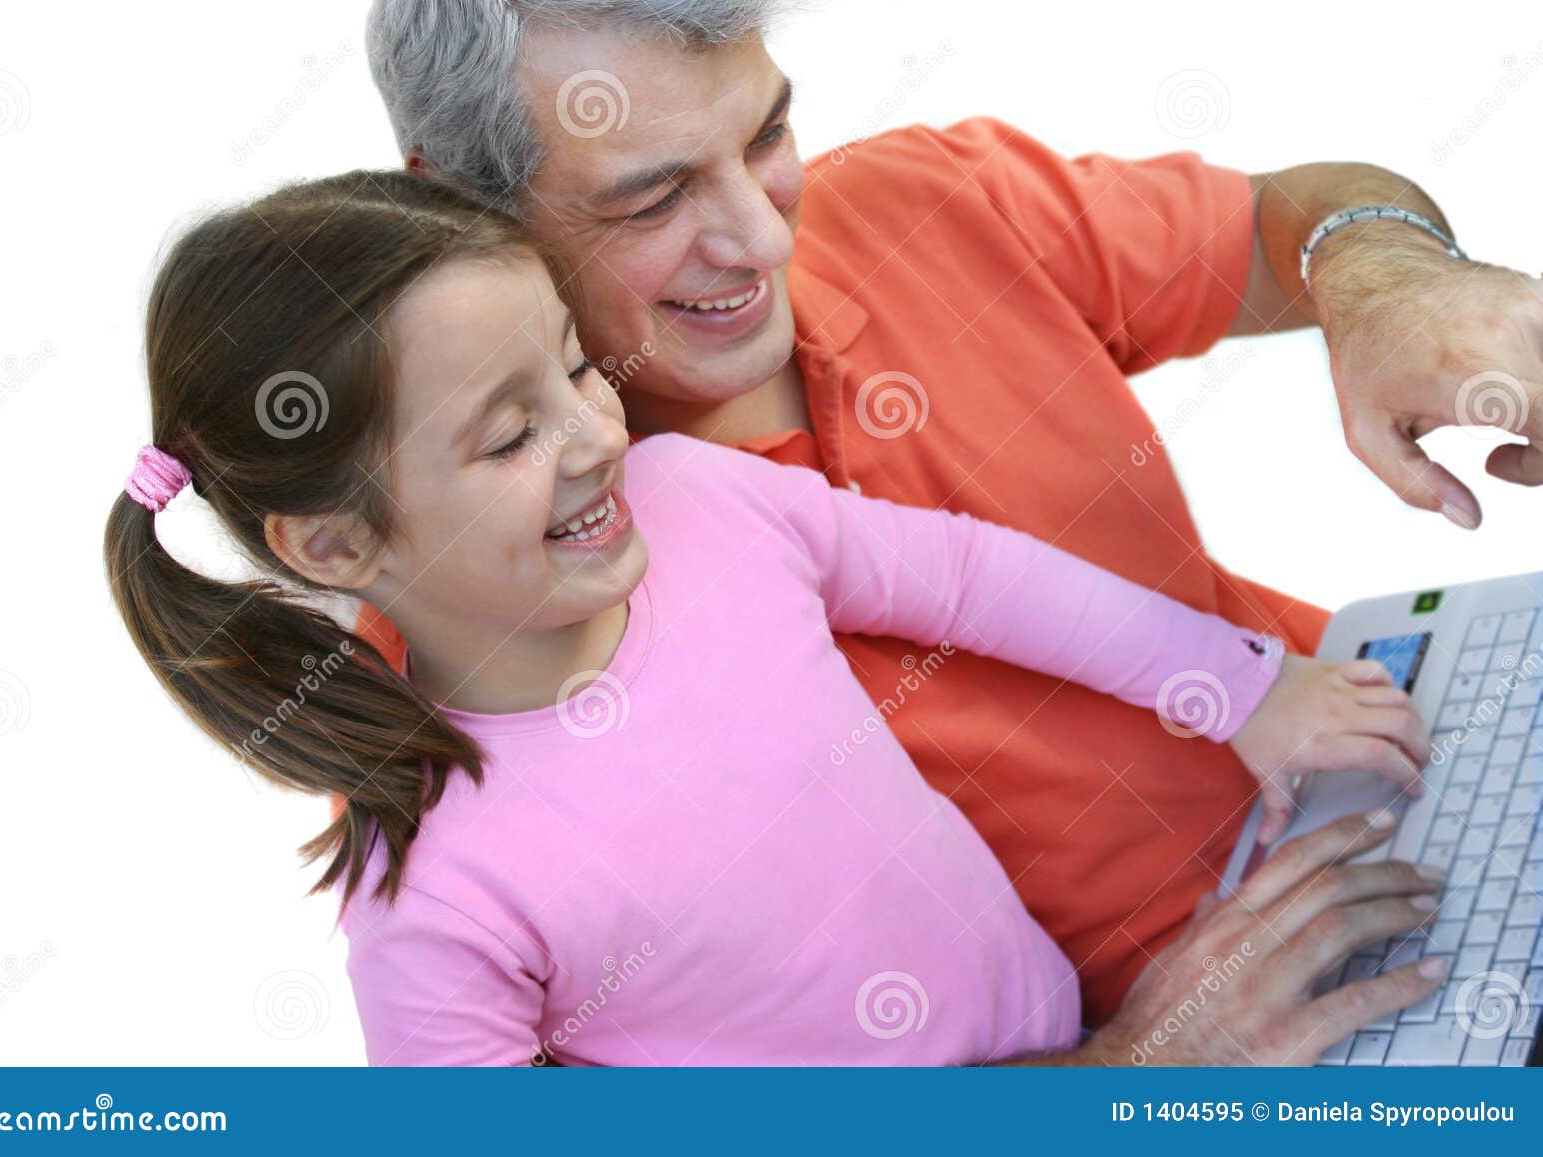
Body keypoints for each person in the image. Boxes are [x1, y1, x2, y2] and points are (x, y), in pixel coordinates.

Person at [362, 0, 1543, 1022]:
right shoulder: (459, 627)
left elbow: (1296, 217)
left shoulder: (923, 200)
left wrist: (1386, 281)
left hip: (1426, 748)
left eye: (767, 133)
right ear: (460, 204)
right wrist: (1138, 1069)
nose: (768, 235)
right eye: (654, 198)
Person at [102, 171, 1440, 1065]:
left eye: (576, 365)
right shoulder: (439, 900)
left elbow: (980, 581)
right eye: (511, 434)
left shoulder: (701, 501)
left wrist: (1241, 683)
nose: (593, 435)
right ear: (335, 543)